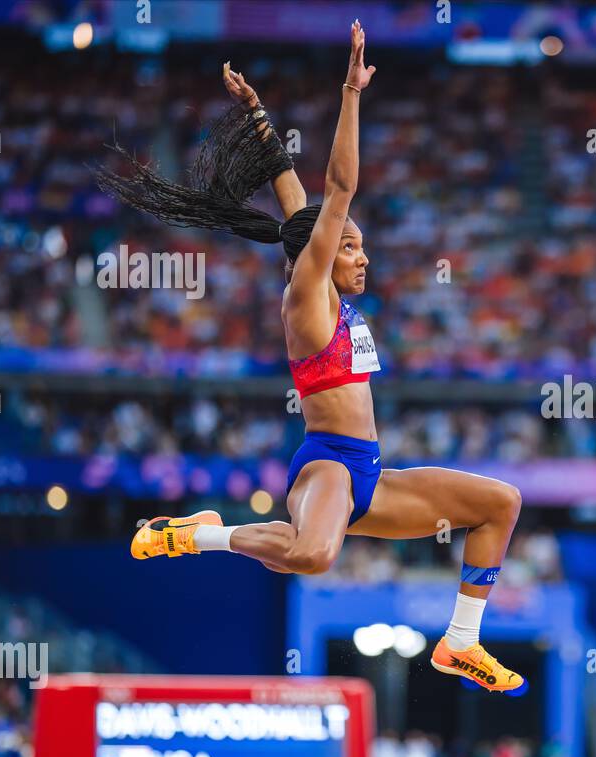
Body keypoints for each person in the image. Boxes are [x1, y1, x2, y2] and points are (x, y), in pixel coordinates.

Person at [98, 21, 523, 693]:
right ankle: (200, 533)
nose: (362, 254)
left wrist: (259, 117)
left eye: (357, 246)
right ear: (322, 253)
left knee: (500, 502)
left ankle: (460, 642)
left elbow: (292, 195)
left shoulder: (317, 274)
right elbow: (338, 189)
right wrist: (351, 91)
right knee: (315, 555)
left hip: (370, 476)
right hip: (327, 463)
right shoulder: (307, 295)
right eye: (349, 245)